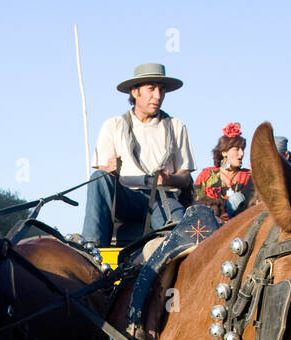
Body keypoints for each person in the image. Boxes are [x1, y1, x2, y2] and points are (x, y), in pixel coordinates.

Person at [82, 62, 196, 246]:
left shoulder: (176, 126)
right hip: (127, 197)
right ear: (135, 92)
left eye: (161, 90)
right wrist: (109, 168)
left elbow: (185, 177)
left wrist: (169, 179)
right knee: (98, 177)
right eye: (151, 89)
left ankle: (180, 258)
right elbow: (102, 171)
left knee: (181, 238)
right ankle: (91, 247)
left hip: (162, 195)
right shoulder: (113, 125)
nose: (157, 96)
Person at [194, 123, 254, 221]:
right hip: (211, 226)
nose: (241, 154)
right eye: (237, 149)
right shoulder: (206, 175)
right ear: (224, 152)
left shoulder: (249, 176)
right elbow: (197, 204)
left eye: (243, 149)